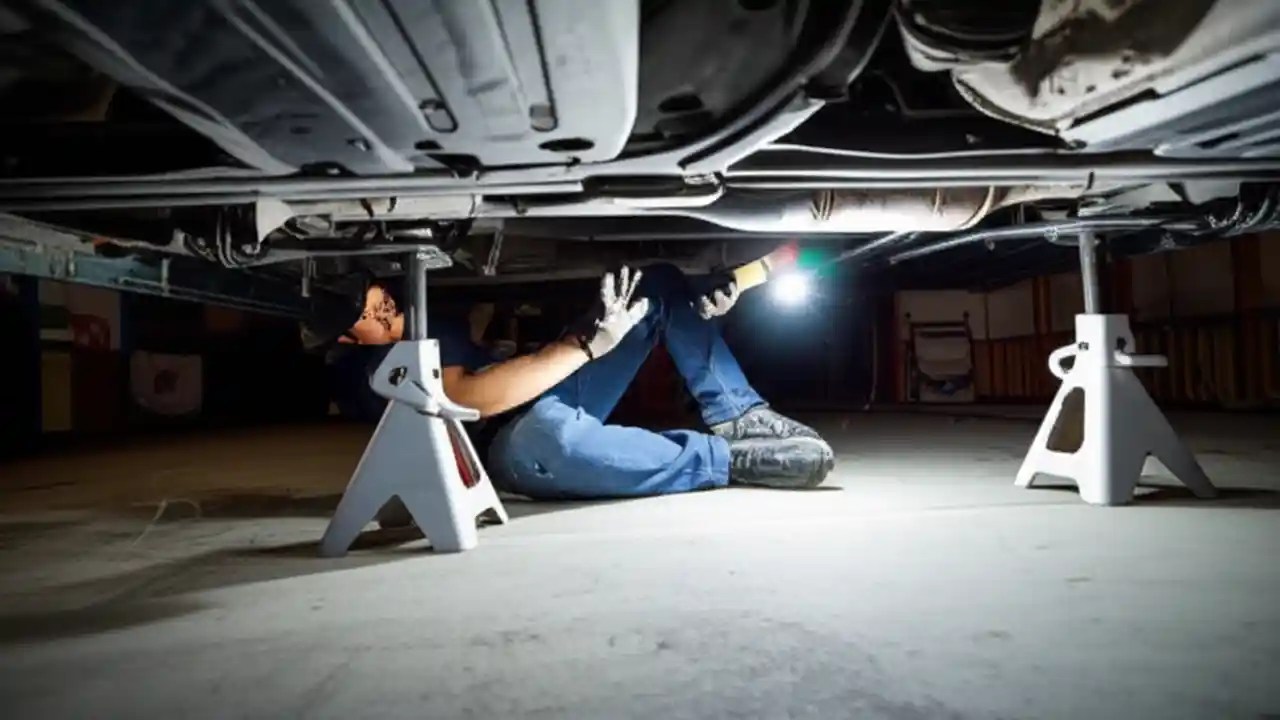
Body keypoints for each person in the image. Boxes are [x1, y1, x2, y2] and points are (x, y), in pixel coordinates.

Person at [310, 264, 834, 500]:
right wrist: (582, 347)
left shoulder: (429, 309)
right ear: (349, 339)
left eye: (370, 294)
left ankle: (739, 415)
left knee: (651, 286)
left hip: (546, 392)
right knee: (554, 443)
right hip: (504, 445)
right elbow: (468, 399)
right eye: (361, 314)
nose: (374, 306)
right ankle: (725, 460)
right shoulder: (369, 369)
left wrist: (704, 297)